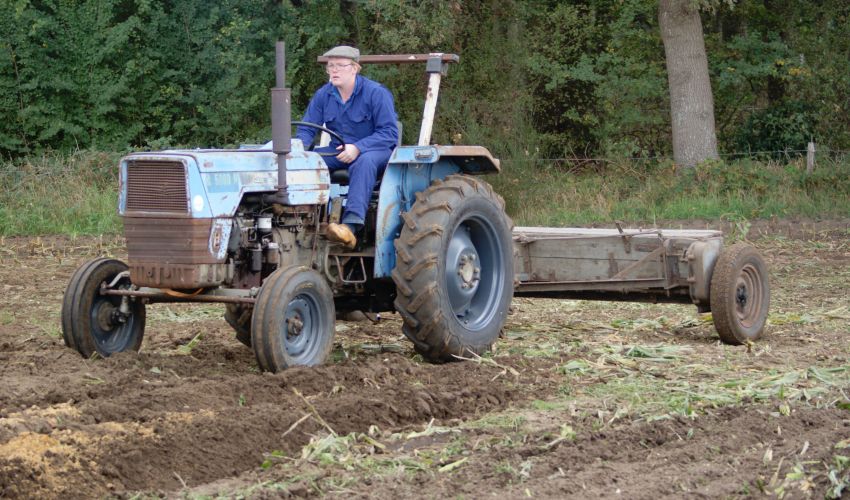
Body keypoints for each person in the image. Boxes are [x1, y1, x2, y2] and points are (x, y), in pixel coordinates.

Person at [295, 45, 399, 249]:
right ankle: (299, 217)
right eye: (330, 66)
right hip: (339, 150)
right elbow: (307, 128)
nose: (334, 70)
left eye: (340, 66)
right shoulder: (324, 94)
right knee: (308, 161)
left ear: (354, 68)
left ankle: (350, 227)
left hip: (375, 151)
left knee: (364, 162)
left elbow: (389, 133)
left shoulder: (376, 93)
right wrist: (299, 150)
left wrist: (358, 147)